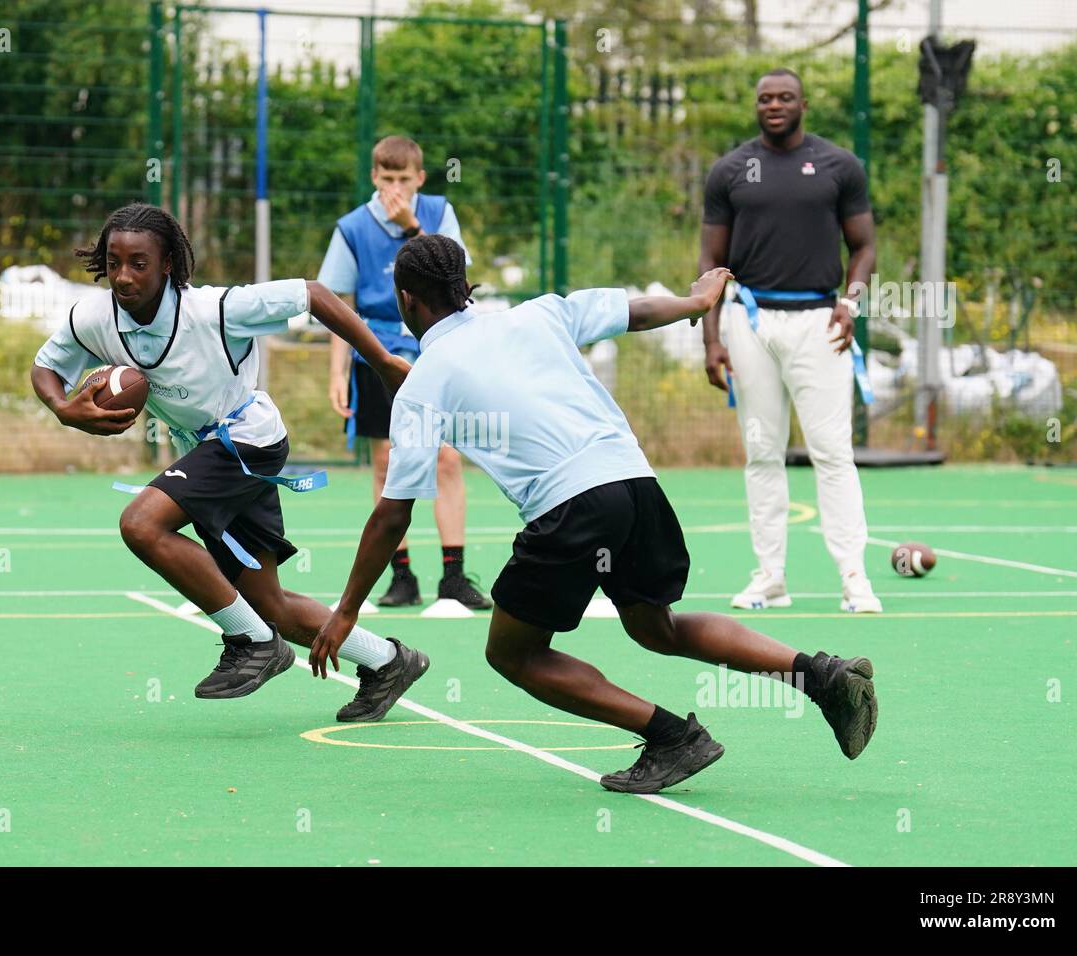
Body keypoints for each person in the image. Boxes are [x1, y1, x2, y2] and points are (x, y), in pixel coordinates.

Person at [310, 234, 878, 793]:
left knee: (513, 653)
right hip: (635, 482)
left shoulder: (423, 385)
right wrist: (696, 303)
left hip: (570, 506)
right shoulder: (538, 315)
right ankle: (821, 675)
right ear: (463, 284)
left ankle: (672, 737)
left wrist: (346, 613)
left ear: (407, 300)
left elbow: (392, 515)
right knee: (657, 626)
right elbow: (635, 311)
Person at [31, 202, 428, 722]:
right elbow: (46, 366)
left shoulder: (218, 309)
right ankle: (389, 662)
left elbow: (313, 294)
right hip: (206, 454)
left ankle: (250, 642)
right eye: (115, 261)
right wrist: (64, 410)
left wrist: (379, 361)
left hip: (248, 441)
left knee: (141, 524)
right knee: (272, 606)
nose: (124, 276)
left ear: (169, 263)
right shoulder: (94, 318)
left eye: (139, 263)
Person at [699, 68, 883, 613]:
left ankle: (854, 578)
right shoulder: (730, 170)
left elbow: (865, 247)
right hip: (749, 321)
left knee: (833, 452)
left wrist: (850, 304)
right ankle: (770, 578)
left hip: (820, 323)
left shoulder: (839, 165)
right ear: (755, 106)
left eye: (784, 97)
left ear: (804, 103)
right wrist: (711, 339)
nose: (773, 105)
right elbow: (711, 261)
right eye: (764, 99)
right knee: (761, 451)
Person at [318, 135, 490, 610]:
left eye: (404, 179)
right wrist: (337, 372)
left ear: (420, 178)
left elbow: (452, 276)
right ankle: (402, 575)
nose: (395, 187)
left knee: (446, 457)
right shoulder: (352, 228)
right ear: (374, 177)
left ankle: (454, 575)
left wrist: (412, 226)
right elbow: (338, 304)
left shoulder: (437, 214)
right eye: (386, 178)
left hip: (437, 348)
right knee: (386, 462)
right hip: (376, 352)